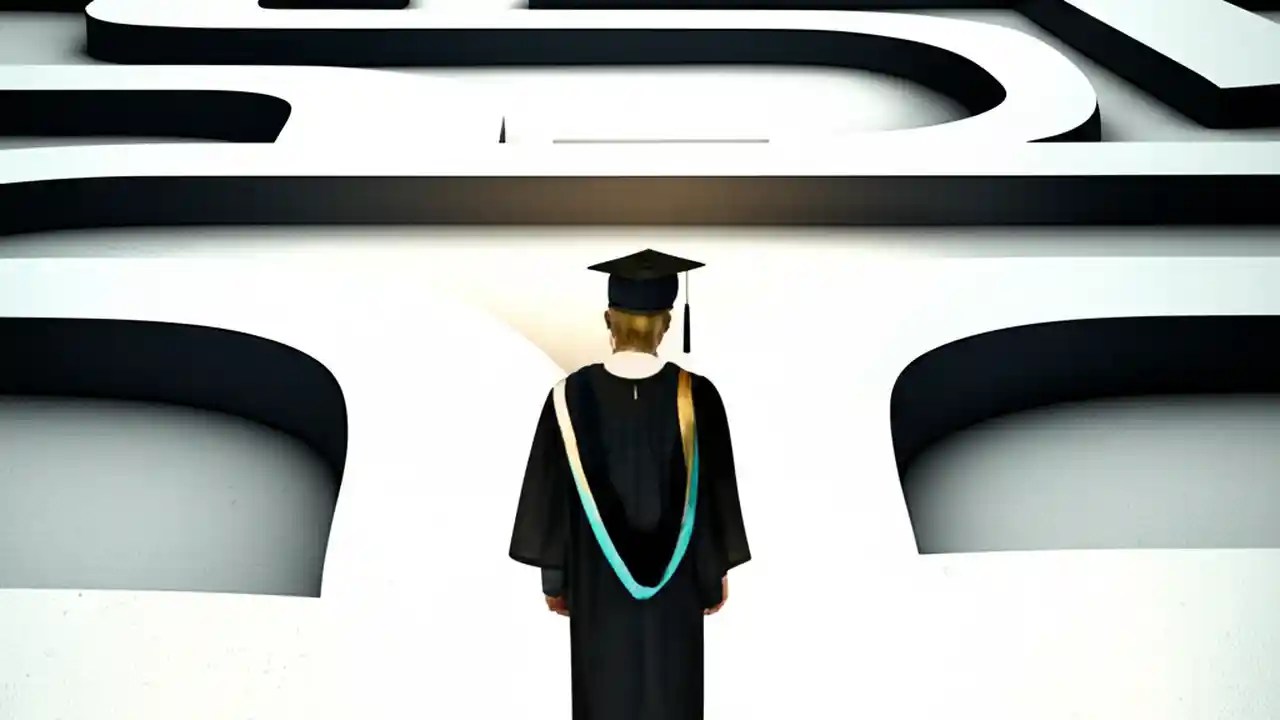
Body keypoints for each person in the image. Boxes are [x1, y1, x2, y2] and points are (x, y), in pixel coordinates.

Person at [509, 248, 751, 720]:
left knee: (605, 694)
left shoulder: (567, 399)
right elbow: (716, 498)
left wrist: (557, 580)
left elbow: (550, 498)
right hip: (676, 596)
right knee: (672, 691)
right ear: (665, 321)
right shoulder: (697, 397)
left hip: (596, 592)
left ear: (608, 319)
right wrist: (708, 579)